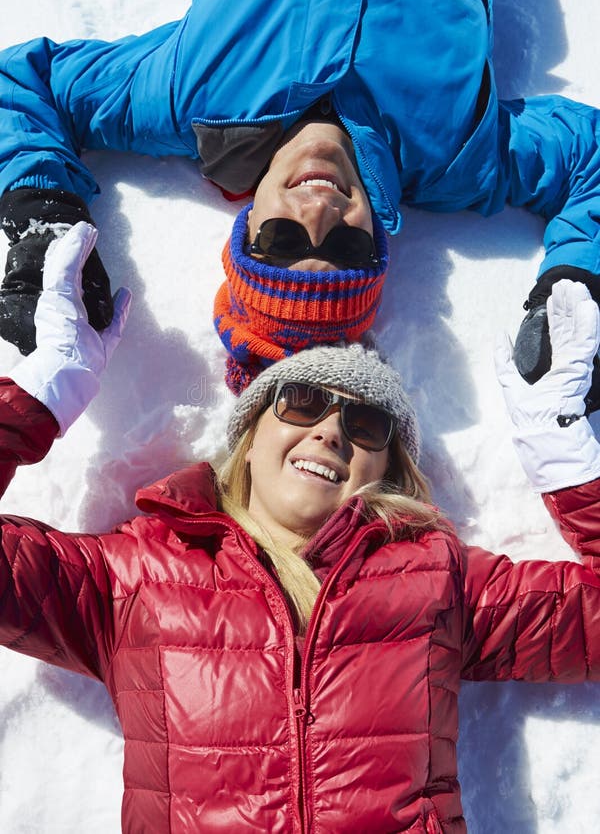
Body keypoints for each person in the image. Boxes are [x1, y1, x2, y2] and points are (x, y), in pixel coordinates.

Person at [2, 220, 600, 833]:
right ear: (251, 438)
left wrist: (566, 463)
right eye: (303, 403)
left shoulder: (438, 581)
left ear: (386, 471)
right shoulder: (133, 576)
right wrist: (37, 396)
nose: (333, 430)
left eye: (366, 424)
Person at [1, 0, 600, 398]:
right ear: (378, 247)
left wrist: (40, 215)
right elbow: (587, 154)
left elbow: (28, 82)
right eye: (346, 248)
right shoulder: (457, 157)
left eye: (282, 239)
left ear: (245, 221)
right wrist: (577, 284)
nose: (319, 211)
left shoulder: (189, 99)